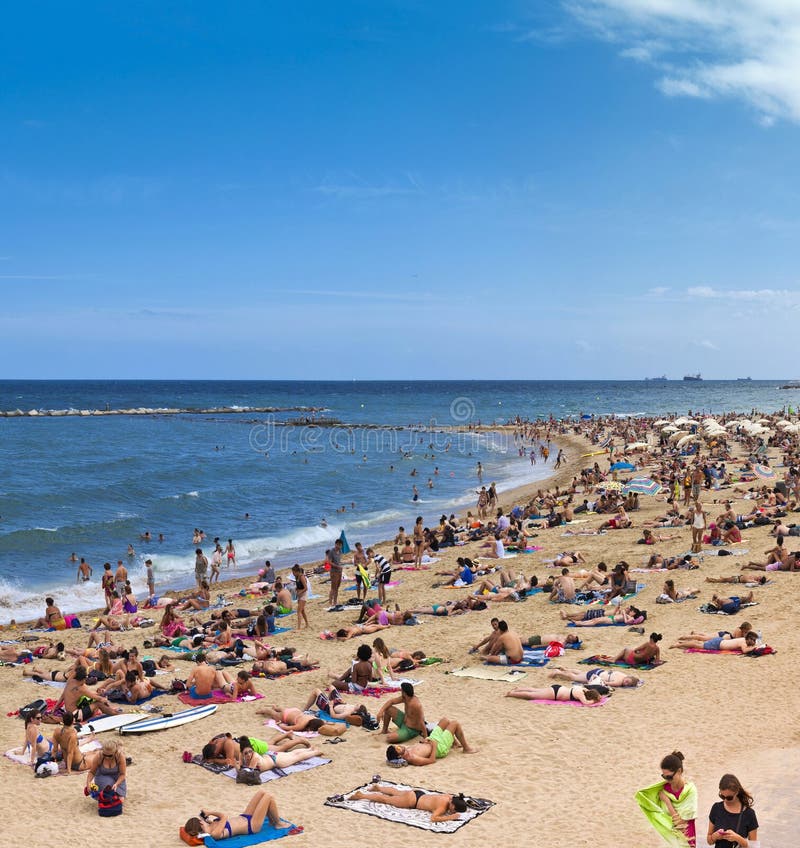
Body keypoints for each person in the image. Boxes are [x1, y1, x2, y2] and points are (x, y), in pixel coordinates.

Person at [635, 751, 697, 848]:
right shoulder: (663, 789)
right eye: (664, 776)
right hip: (668, 839)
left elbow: (682, 824)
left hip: (686, 840)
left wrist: (668, 802)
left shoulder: (690, 791)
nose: (667, 780)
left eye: (670, 777)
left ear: (679, 771)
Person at [184, 790, 288, 840]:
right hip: (251, 825)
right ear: (200, 823)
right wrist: (210, 812)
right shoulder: (214, 833)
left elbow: (216, 822)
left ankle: (272, 819)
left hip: (244, 816)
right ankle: (278, 823)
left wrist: (207, 820)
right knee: (269, 796)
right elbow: (224, 816)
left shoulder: (211, 826)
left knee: (261, 793)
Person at [346, 784, 468, 823]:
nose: (453, 811)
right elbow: (433, 818)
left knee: (396, 792)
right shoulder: (442, 807)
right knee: (386, 800)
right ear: (452, 805)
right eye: (454, 810)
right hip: (413, 801)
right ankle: (362, 796)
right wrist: (451, 817)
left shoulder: (450, 797)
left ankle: (378, 787)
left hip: (418, 793)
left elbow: (460, 800)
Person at [385, 717, 477, 764]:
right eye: (398, 748)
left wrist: (424, 741)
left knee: (444, 720)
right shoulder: (412, 758)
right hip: (439, 747)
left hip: (431, 740)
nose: (400, 746)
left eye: (397, 746)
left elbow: (420, 747)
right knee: (455, 723)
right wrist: (434, 745)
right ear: (399, 756)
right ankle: (466, 748)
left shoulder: (406, 750)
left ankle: (455, 743)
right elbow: (431, 760)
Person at [707, 773, 758, 848]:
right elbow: (709, 841)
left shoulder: (749, 814)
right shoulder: (716, 808)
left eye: (729, 798)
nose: (725, 800)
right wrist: (714, 836)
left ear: (737, 792)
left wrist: (738, 838)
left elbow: (755, 846)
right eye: (722, 796)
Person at [238, 737, 322, 772]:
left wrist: (236, 765)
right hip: (271, 756)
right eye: (246, 753)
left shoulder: (255, 757)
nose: (249, 754)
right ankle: (310, 749)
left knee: (297, 757)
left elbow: (247, 772)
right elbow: (240, 767)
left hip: (277, 761)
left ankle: (314, 752)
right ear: (242, 753)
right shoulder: (241, 755)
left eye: (250, 751)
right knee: (292, 754)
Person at [547, 667, 641, 688]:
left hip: (599, 671)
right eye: (627, 681)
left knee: (581, 673)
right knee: (575, 678)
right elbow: (606, 684)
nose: (625, 682)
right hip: (595, 675)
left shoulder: (624, 675)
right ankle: (558, 672)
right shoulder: (619, 682)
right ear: (628, 678)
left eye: (627, 683)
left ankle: (565, 669)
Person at [669, 631, 759, 653]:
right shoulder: (743, 642)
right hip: (717, 644)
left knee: (699, 642)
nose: (754, 642)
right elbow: (745, 650)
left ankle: (683, 641)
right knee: (697, 645)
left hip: (720, 641)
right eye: (753, 640)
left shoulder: (743, 640)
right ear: (749, 639)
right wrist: (754, 648)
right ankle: (679, 644)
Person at [504, 684, 604, 704]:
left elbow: (592, 692)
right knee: (531, 695)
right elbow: (586, 703)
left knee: (536, 690)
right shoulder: (581, 695)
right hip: (555, 694)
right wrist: (595, 700)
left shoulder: (583, 689)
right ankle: (512, 693)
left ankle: (519, 688)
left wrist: (598, 695)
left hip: (558, 688)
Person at [292, 564, 309, 629]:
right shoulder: (296, 577)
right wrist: (296, 589)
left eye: (293, 572)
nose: (293, 574)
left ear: (297, 571)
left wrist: (300, 592)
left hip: (303, 595)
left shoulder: (302, 577)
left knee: (298, 611)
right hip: (299, 595)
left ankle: (299, 627)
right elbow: (299, 585)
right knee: (302, 611)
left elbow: (306, 588)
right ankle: (307, 624)